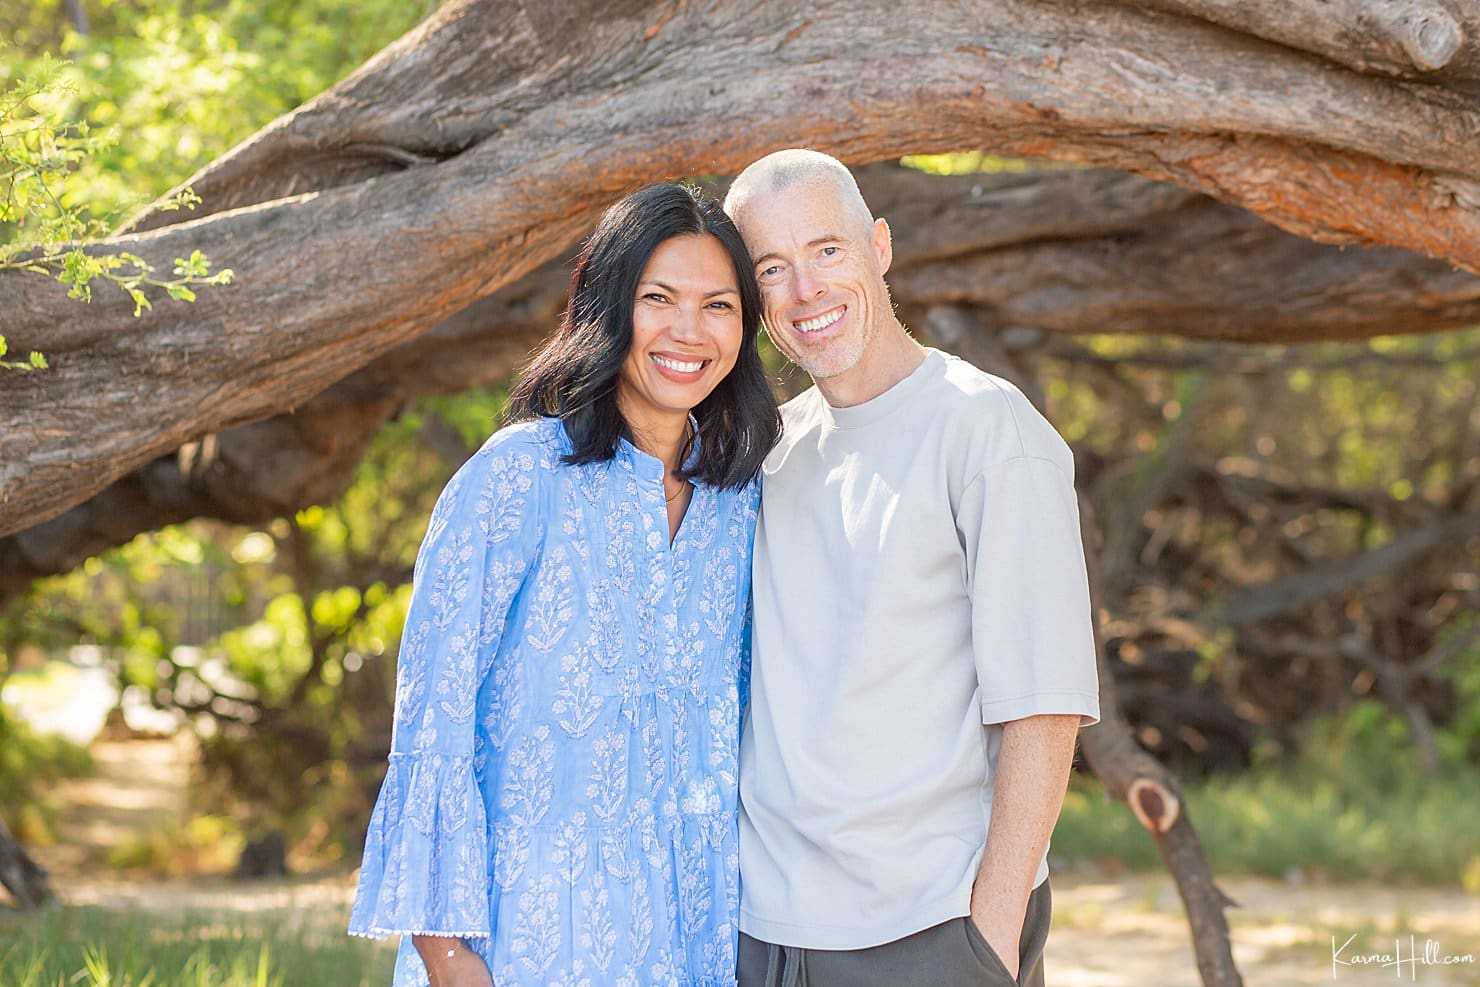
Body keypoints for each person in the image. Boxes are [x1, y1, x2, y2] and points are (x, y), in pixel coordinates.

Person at [349, 181, 781, 987]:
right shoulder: (516, 479)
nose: (689, 330)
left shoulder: (745, 503)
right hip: (523, 949)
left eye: (718, 305)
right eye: (660, 298)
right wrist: (449, 956)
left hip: (697, 942)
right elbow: (434, 720)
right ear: (610, 307)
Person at [723, 149, 1100, 987]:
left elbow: (1044, 706)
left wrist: (988, 940)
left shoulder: (987, 430)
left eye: (827, 250)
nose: (806, 291)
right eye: (771, 270)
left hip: (930, 933)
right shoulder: (766, 455)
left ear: (880, 247)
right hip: (766, 935)